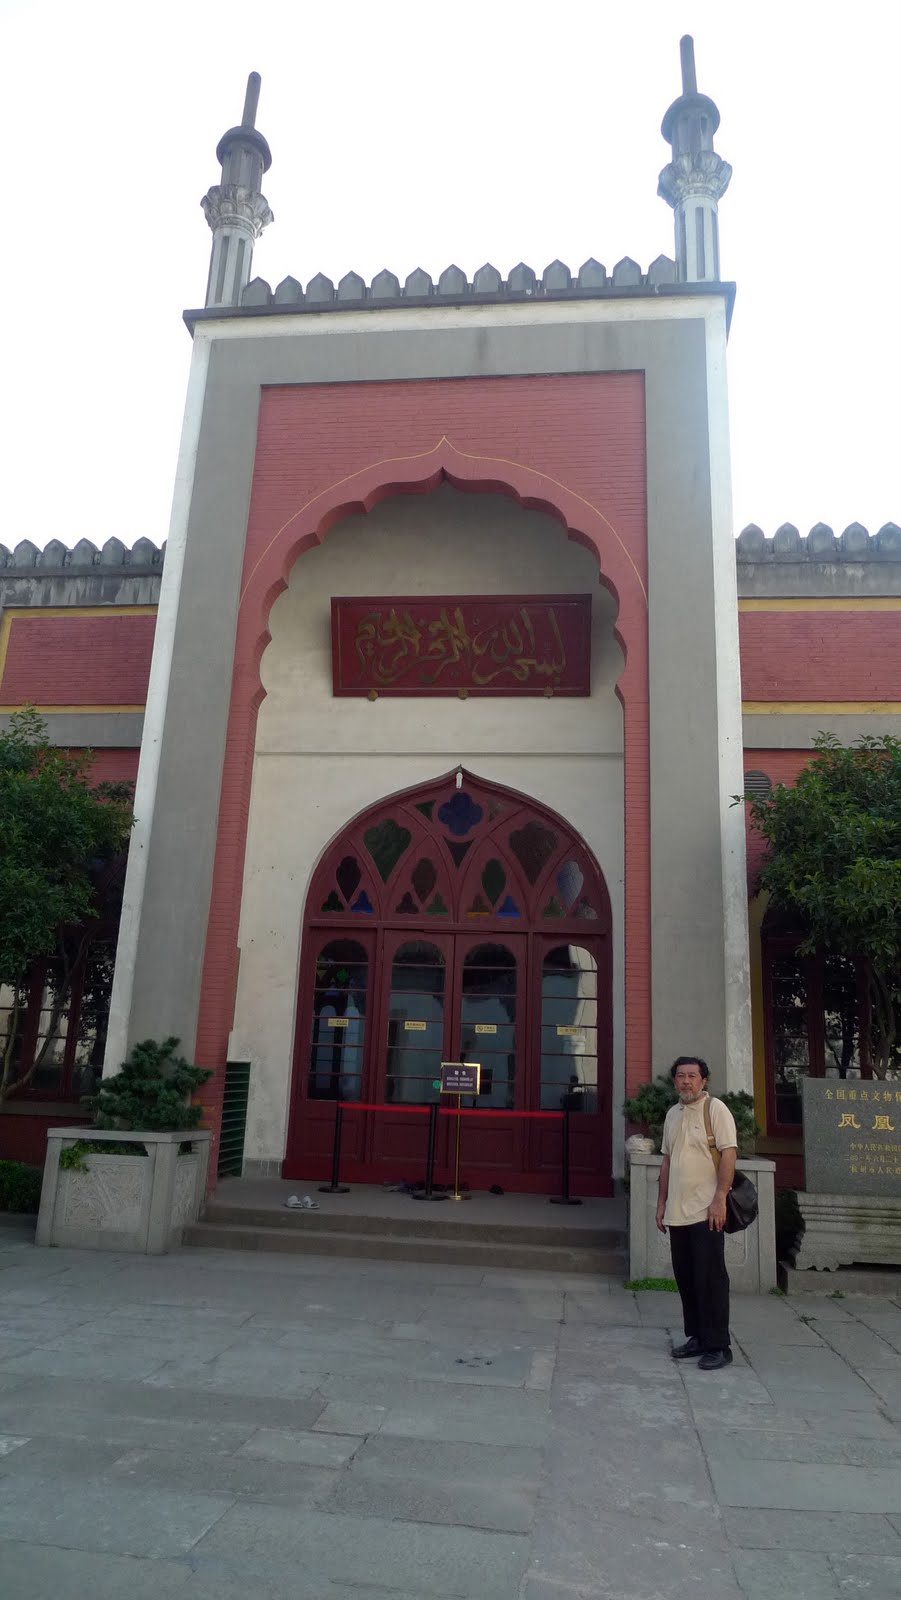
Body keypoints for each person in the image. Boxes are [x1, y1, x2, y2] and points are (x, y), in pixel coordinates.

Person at [655, 1055, 737, 1371]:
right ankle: (698, 1337)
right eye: (680, 1075)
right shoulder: (673, 1114)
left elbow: (729, 1153)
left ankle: (719, 1345)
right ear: (674, 1081)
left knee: (711, 1279)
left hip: (707, 1211)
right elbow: (666, 1161)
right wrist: (661, 1203)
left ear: (704, 1080)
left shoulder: (715, 1109)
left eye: (692, 1075)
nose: (686, 1081)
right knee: (687, 1278)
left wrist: (720, 1198)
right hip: (678, 1212)